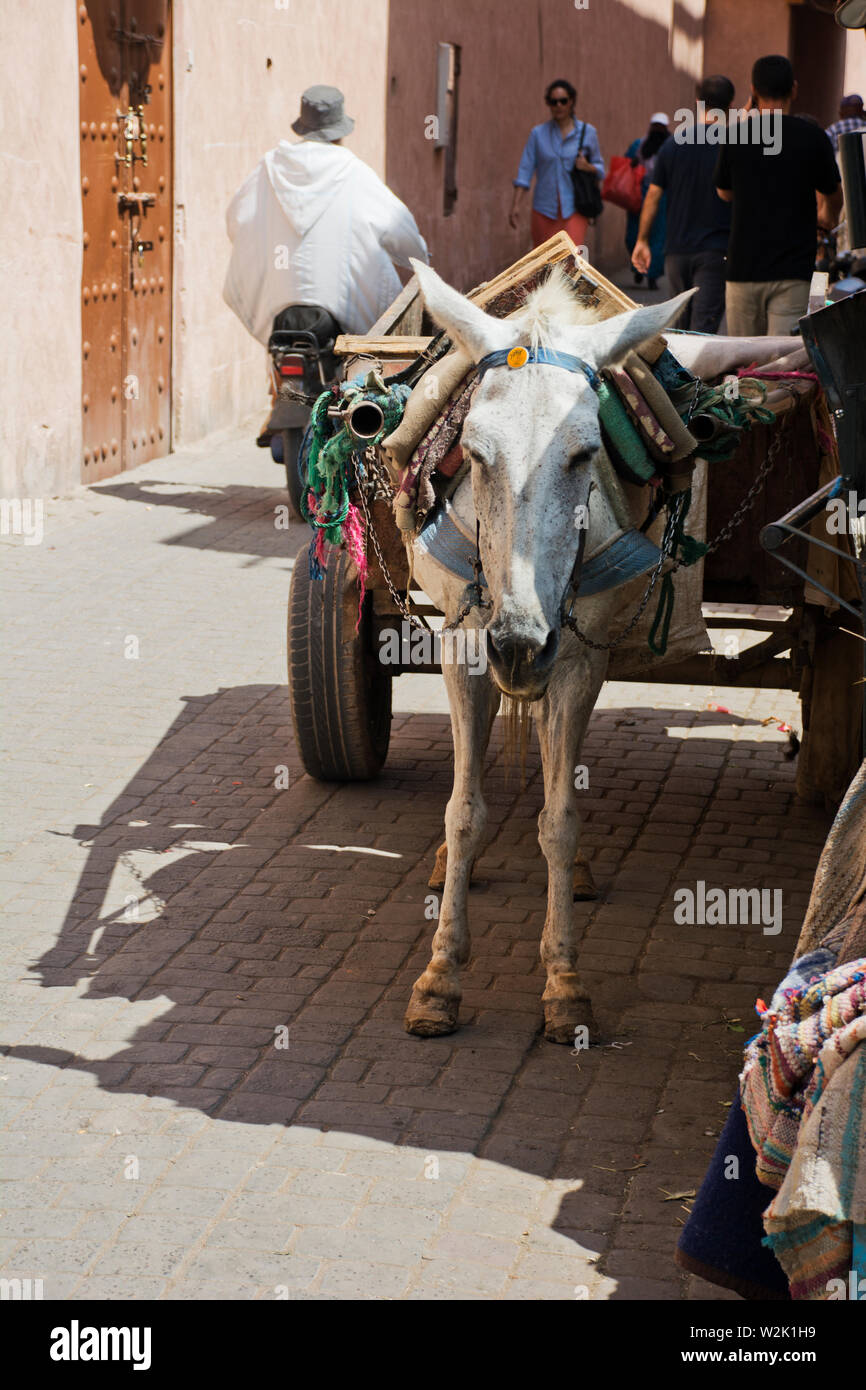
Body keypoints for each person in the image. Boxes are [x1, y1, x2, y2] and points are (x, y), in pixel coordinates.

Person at [223, 85, 429, 342]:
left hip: (279, 311)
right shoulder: (354, 171)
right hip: (345, 315)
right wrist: (418, 255)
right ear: (340, 131)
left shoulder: (269, 167)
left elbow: (235, 218)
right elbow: (398, 226)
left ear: (302, 125)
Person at [714, 55, 842, 336]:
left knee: (745, 364)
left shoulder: (736, 136)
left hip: (742, 270)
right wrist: (827, 216)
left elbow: (723, 193)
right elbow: (834, 192)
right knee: (780, 367)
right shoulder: (812, 137)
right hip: (792, 272)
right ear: (793, 89)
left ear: (754, 90)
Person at [632, 76, 734, 333]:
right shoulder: (735, 144)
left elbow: (653, 195)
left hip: (676, 251)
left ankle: (679, 374)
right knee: (703, 329)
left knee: (679, 328)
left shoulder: (673, 144)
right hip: (716, 251)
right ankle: (697, 374)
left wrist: (642, 240)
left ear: (698, 103)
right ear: (729, 106)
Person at [510, 79, 605, 248]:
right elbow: (525, 170)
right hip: (544, 208)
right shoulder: (538, 134)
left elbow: (600, 169)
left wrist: (588, 167)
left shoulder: (588, 133)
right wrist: (515, 205)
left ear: (571, 102)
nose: (559, 106)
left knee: (569, 259)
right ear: (549, 104)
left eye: (563, 101)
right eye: (553, 102)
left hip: (576, 207)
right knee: (547, 264)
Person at [624, 113, 670, 290]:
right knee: (633, 235)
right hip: (639, 194)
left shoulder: (670, 147)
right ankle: (638, 267)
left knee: (658, 237)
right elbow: (627, 162)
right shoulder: (639, 145)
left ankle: (652, 274)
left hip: (662, 196)